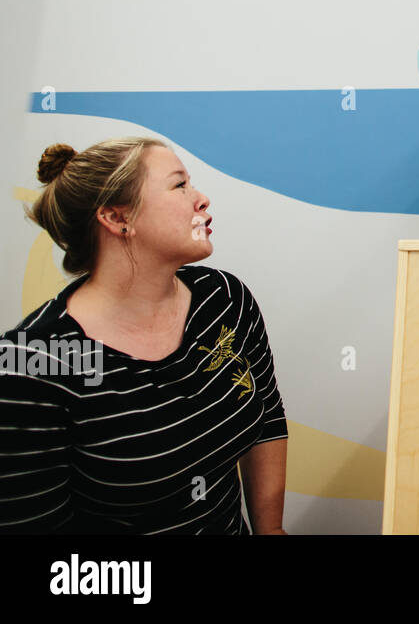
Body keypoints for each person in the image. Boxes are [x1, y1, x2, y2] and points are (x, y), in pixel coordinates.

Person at [0, 138, 288, 534]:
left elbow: (267, 416)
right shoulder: (32, 363)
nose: (201, 199)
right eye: (179, 185)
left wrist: (270, 530)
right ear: (118, 218)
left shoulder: (225, 300)